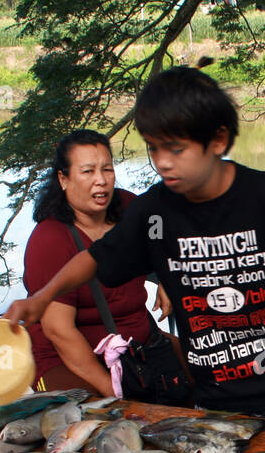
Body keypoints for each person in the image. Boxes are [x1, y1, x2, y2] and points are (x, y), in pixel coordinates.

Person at [4, 65, 265, 425]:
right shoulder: (152, 210)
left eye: (175, 149)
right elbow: (95, 258)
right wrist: (42, 297)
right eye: (153, 149)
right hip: (221, 394)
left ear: (217, 140)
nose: (162, 163)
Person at [24, 130, 170, 395]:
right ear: (63, 179)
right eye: (88, 172)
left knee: (211, 377)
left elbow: (164, 240)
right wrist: (116, 393)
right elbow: (59, 332)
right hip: (71, 360)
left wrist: (163, 277)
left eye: (107, 169)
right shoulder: (49, 240)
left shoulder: (128, 206)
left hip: (139, 346)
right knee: (112, 422)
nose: (101, 181)